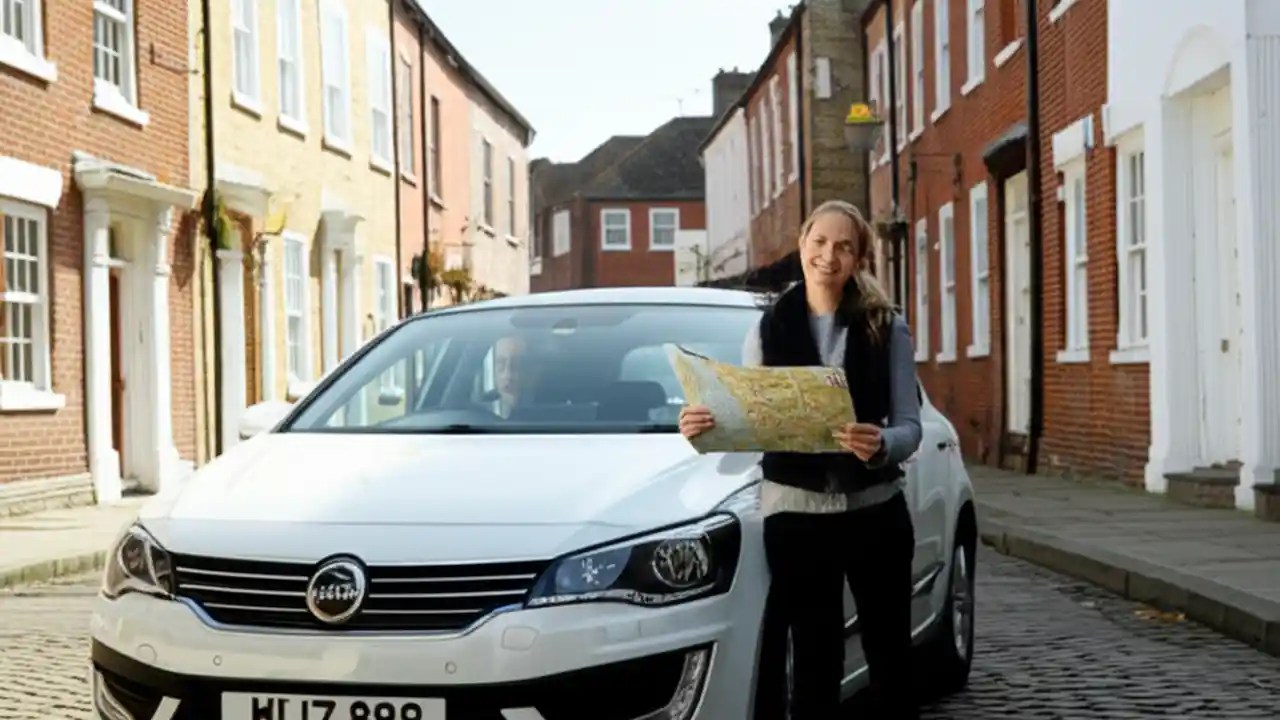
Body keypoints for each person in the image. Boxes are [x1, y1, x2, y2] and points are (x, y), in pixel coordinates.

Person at [679, 200, 922, 719]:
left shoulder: (887, 327)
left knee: (891, 660)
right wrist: (703, 425)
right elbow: (755, 420)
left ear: (859, 258)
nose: (828, 256)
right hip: (796, 518)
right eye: (819, 243)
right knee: (813, 664)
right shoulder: (766, 331)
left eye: (843, 246)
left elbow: (911, 426)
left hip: (875, 513)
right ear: (802, 244)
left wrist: (882, 444)